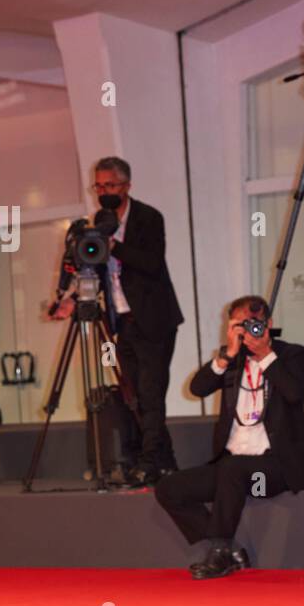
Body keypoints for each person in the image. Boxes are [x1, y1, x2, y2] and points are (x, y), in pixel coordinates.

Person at [155, 296, 304, 580]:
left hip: (272, 472)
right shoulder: (231, 359)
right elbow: (197, 388)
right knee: (170, 488)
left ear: (269, 324)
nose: (248, 331)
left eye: (254, 324)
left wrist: (266, 354)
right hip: (233, 468)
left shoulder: (292, 355)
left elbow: (293, 393)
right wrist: (226, 355)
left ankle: (219, 555)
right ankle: (229, 550)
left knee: (233, 470)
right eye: (240, 325)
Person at [92, 157, 185, 486]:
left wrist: (114, 246)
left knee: (150, 392)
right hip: (122, 322)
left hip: (154, 320)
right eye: (99, 186)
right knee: (134, 395)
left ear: (127, 186)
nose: (104, 192)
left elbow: (151, 263)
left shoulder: (148, 218)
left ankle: (147, 463)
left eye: (111, 185)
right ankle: (166, 462)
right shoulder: (99, 220)